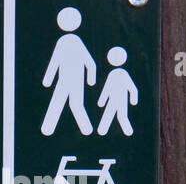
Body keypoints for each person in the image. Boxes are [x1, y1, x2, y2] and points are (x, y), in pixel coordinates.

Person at [40, 7, 96, 136]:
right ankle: (85, 129)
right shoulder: (73, 42)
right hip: (71, 81)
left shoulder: (66, 42)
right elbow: (91, 64)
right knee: (70, 103)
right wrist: (90, 80)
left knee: (65, 103)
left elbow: (55, 62)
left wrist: (48, 80)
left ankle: (85, 130)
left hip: (68, 81)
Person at [96, 46, 138, 136]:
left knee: (120, 116)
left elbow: (132, 88)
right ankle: (102, 131)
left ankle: (128, 132)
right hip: (113, 100)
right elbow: (107, 89)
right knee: (111, 115)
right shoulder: (114, 74)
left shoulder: (122, 74)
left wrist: (133, 99)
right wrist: (102, 101)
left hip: (121, 100)